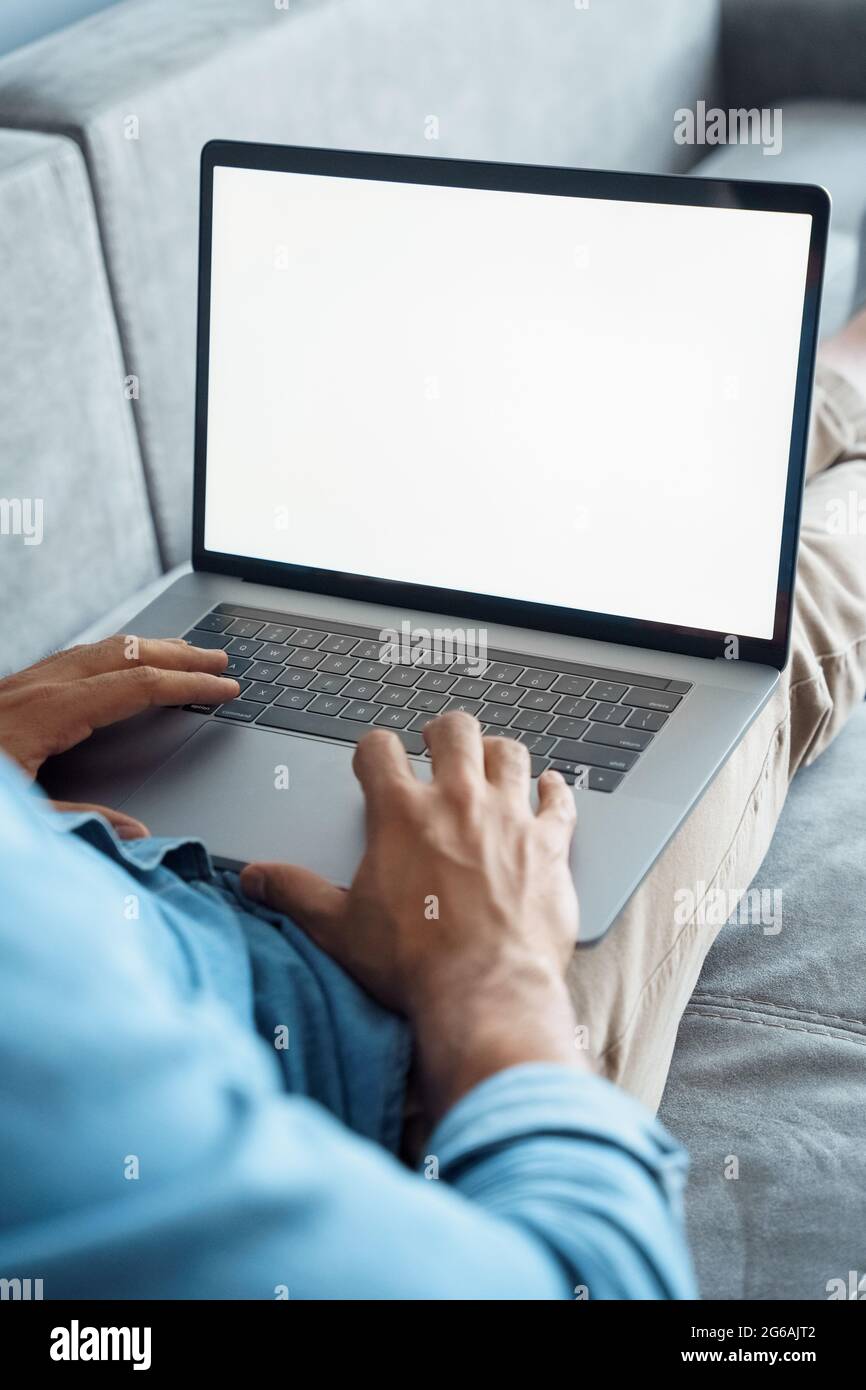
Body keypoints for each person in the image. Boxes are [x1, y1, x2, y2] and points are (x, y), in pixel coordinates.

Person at [1, 309, 865, 1300]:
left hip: (132, 878)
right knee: (759, 630)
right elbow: (579, 1280)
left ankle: (828, 394)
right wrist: (494, 983)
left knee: (622, 538)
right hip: (400, 1033)